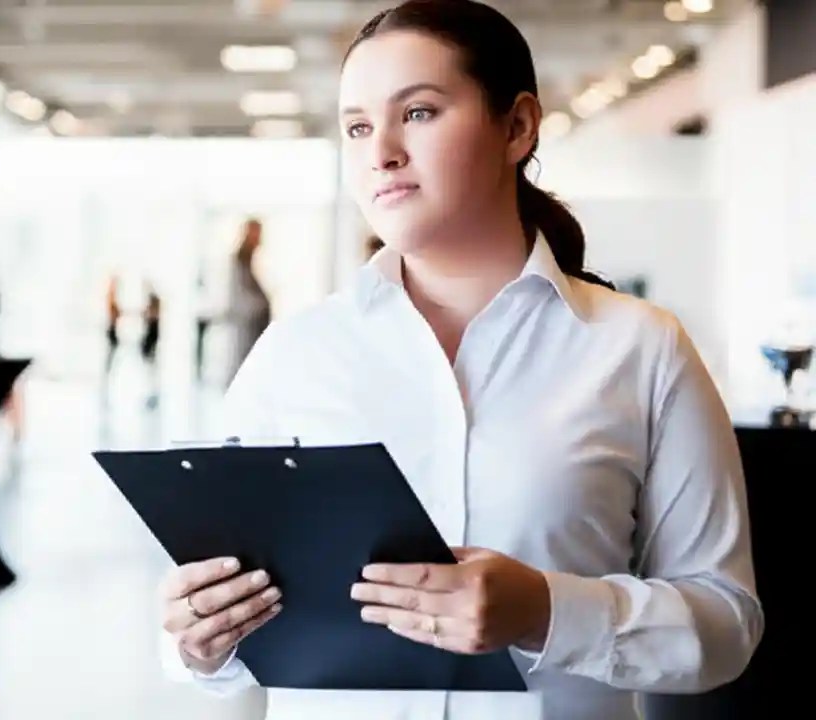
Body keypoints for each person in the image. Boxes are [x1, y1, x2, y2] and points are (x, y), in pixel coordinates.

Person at [155, 2, 762, 720]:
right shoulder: (295, 354)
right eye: (356, 126)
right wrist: (198, 639)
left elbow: (725, 626)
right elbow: (213, 627)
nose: (379, 151)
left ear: (518, 126)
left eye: (417, 113)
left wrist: (545, 610)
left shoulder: (641, 349)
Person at [225, 217, 272, 378]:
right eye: (256, 233)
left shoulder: (249, 263)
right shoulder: (236, 263)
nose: (259, 239)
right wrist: (262, 304)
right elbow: (239, 302)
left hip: (254, 332)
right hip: (243, 333)